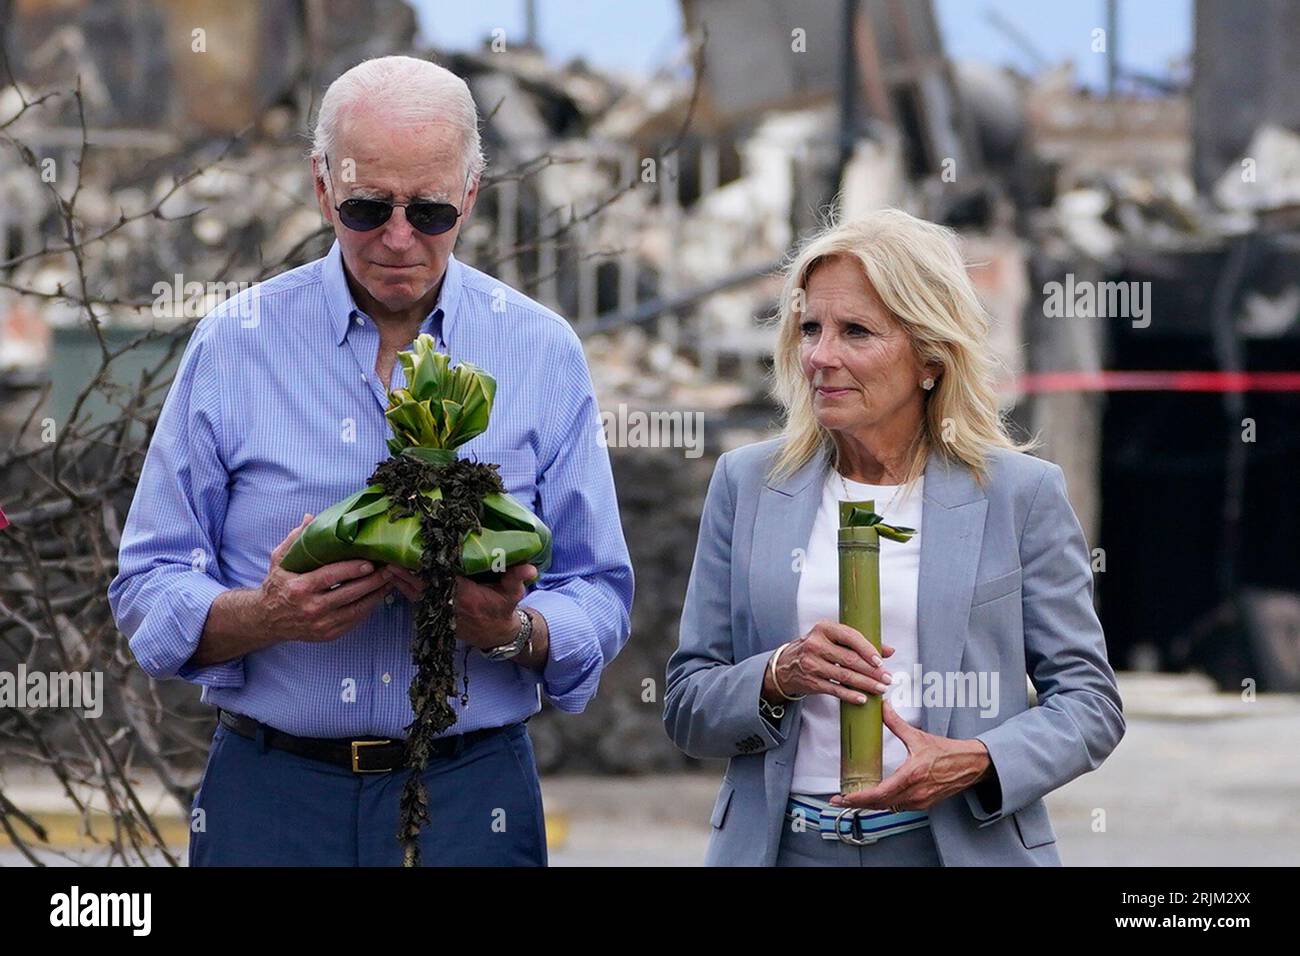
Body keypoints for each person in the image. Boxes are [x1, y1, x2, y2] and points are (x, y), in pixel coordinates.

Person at [108, 55, 633, 866]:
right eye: (364, 206)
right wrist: (266, 614)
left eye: (427, 210)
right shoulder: (234, 345)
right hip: (273, 793)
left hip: (471, 798)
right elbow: (147, 586)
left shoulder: (542, 350)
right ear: (322, 188)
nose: (396, 238)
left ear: (471, 195)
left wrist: (510, 631)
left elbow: (598, 591)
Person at [663, 209, 1124, 866]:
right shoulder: (747, 482)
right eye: (811, 328)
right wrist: (775, 675)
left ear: (930, 357)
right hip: (782, 850)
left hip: (954, 849)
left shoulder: (1020, 495)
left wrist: (978, 759)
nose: (822, 356)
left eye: (856, 331)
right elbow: (686, 702)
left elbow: (1090, 704)